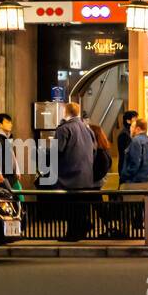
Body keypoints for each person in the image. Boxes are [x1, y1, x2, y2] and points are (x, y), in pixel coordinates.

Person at [54, 102, 97, 241]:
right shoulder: (87, 129)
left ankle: (72, 234)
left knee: (70, 207)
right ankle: (81, 230)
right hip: (86, 176)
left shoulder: (64, 129)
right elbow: (94, 150)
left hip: (69, 176)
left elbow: (57, 151)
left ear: (65, 113)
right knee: (81, 207)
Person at [0, 113, 18, 190]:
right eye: (7, 122)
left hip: (7, 175)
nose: (10, 124)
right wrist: (0, 175)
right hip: (3, 176)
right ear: (0, 125)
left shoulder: (5, 137)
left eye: (11, 122)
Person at [115, 110, 138, 185]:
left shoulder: (130, 134)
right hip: (126, 170)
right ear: (128, 121)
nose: (137, 122)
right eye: (135, 119)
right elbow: (126, 154)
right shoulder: (124, 135)